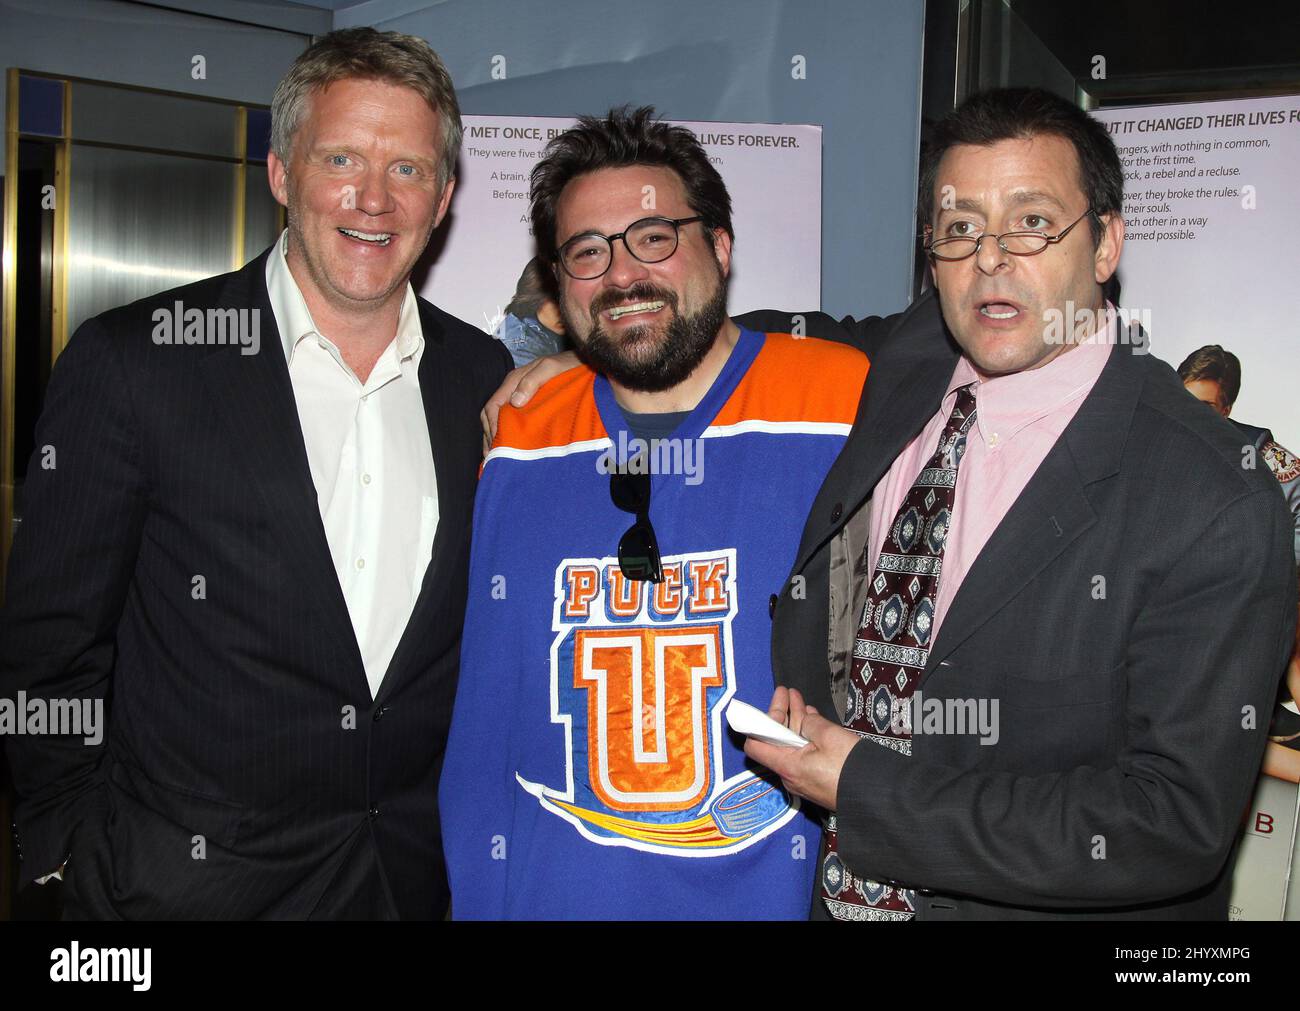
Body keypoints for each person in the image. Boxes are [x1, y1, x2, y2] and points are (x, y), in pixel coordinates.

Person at [489, 87, 1297, 920]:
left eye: (1031, 223)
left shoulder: (1212, 496)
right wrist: (595, 349)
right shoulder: (912, 357)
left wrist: (864, 789)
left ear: (1105, 244)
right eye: (959, 229)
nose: (991, 260)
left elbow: (1170, 824)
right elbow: (753, 328)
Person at [0, 27, 512, 919]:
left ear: (444, 197)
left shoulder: (484, 380)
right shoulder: (137, 363)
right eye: (342, 157)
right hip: (180, 891)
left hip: (408, 883)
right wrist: (61, 852)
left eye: (409, 170)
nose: (374, 198)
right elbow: (47, 650)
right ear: (282, 174)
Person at [438, 106, 868, 919]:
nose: (623, 273)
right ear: (560, 287)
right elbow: (486, 725)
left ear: (722, 246)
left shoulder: (842, 402)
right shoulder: (521, 435)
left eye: (654, 236)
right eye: (588, 251)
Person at [1177, 344, 1300, 783]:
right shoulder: (1156, 451)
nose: (1193, 418)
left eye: (1207, 408)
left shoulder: (1262, 455)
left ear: (1226, 409)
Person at [493, 256, 569, 367]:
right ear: (535, 298)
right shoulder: (520, 345)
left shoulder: (543, 329)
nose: (565, 311)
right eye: (556, 301)